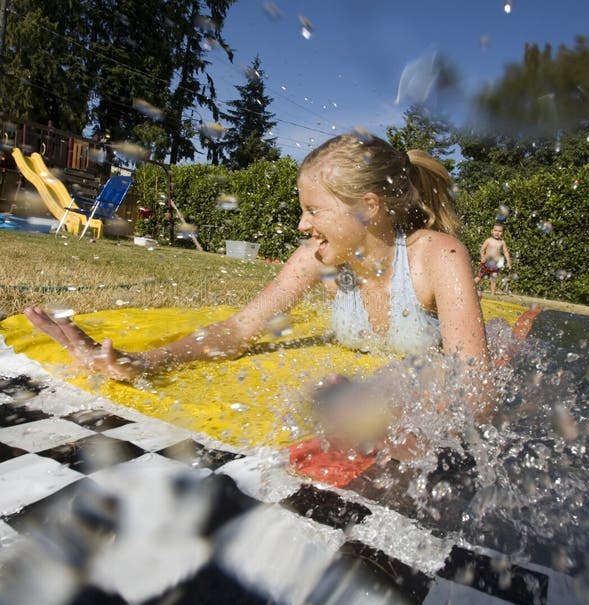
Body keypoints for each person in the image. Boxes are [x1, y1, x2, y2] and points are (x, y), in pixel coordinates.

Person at [25, 134, 494, 450]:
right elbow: (237, 330)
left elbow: (477, 391)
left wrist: (384, 410)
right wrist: (142, 361)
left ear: (366, 209)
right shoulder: (315, 257)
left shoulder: (437, 257)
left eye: (313, 210)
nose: (302, 224)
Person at [474, 223, 512, 296]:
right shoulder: (488, 240)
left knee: (493, 279)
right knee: (479, 277)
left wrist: (509, 262)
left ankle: (492, 294)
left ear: (503, 233)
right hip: (486, 263)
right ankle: (470, 288)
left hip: (495, 264)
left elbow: (506, 252)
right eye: (495, 230)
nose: (497, 233)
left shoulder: (502, 242)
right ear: (492, 231)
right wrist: (482, 257)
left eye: (500, 231)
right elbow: (482, 250)